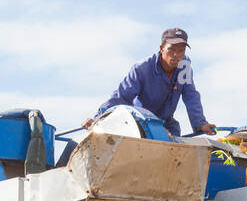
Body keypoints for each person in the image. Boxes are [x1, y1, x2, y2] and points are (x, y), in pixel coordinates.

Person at [86, 28, 216, 137]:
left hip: (167, 124)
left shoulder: (184, 67)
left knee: (176, 141)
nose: (176, 55)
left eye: (181, 50)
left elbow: (190, 95)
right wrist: (97, 118)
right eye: (171, 49)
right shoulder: (142, 69)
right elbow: (121, 97)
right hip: (141, 124)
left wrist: (200, 123)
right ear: (162, 48)